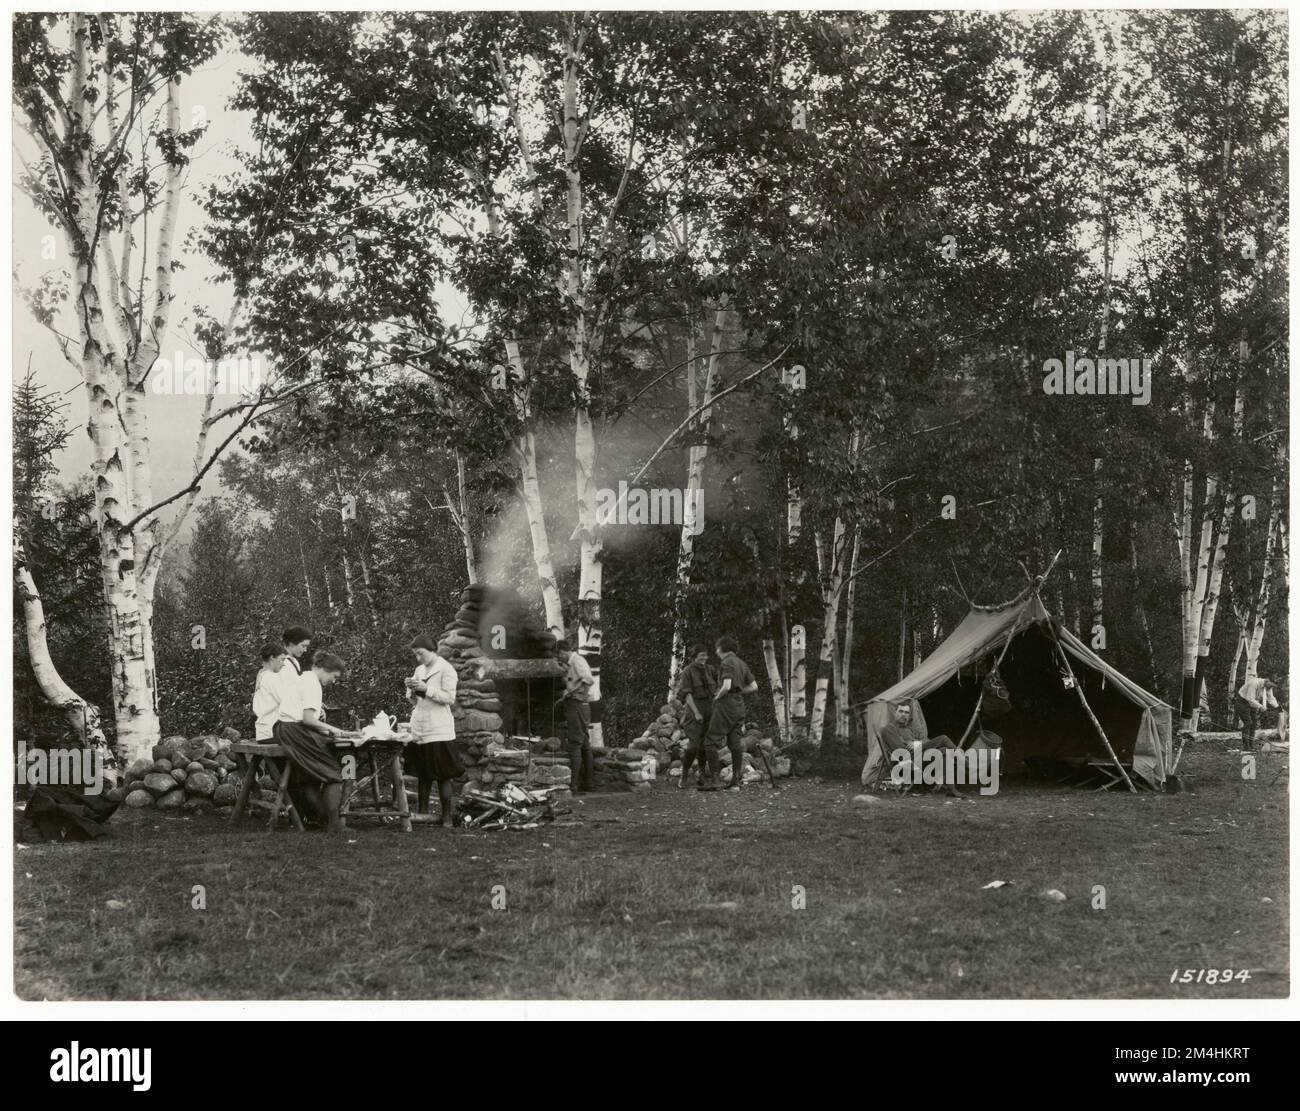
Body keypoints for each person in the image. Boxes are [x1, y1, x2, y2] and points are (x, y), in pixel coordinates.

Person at [273, 651, 356, 832]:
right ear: (325, 669)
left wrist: (328, 730)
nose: (333, 681)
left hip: (285, 729)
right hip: (295, 731)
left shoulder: (303, 678)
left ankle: (323, 820)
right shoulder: (313, 684)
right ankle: (334, 825)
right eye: (334, 676)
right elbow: (308, 719)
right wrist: (335, 730)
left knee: (309, 777)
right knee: (333, 773)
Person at [404, 635, 463, 827]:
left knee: (443, 774)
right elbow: (415, 700)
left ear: (431, 650)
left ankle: (446, 816)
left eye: (420, 654)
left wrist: (426, 689)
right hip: (421, 726)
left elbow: (449, 698)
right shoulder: (419, 669)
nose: (418, 658)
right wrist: (412, 690)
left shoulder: (446, 669)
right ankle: (422, 814)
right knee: (423, 773)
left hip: (439, 728)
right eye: (415, 655)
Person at [704, 635, 759, 791]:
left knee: (710, 741)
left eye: (717, 648)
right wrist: (739, 692)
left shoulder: (727, 662)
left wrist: (717, 697)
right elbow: (754, 686)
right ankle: (735, 780)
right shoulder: (742, 663)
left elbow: (726, 686)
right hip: (739, 705)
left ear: (721, 648)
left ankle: (715, 781)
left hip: (725, 705)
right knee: (735, 743)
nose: (716, 652)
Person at [879, 701, 964, 798]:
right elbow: (901, 752)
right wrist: (918, 744)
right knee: (943, 738)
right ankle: (967, 762)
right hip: (904, 764)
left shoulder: (908, 729)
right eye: (901, 711)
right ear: (895, 713)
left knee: (946, 751)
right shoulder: (889, 729)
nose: (903, 714)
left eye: (906, 712)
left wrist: (917, 743)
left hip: (916, 758)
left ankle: (951, 789)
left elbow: (921, 742)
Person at [555, 640, 595, 793]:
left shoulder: (577, 661)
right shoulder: (572, 663)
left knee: (575, 742)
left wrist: (571, 692)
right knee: (584, 742)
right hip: (577, 704)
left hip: (577, 704)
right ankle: (589, 783)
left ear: (563, 652)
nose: (559, 657)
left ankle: (574, 785)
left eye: (559, 654)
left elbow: (588, 680)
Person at [675, 645, 717, 789]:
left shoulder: (710, 670)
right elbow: (687, 695)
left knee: (705, 744)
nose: (704, 658)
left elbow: (718, 686)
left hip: (709, 709)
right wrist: (697, 712)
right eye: (701, 655)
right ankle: (684, 774)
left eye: (705, 655)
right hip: (695, 709)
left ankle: (700, 772)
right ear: (694, 657)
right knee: (693, 745)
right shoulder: (687, 671)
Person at [252, 643, 289, 742]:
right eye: (282, 660)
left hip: (263, 733)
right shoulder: (271, 678)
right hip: (271, 733)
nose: (283, 663)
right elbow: (288, 701)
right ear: (272, 658)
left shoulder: (262, 675)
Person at [1235, 676, 1279, 751]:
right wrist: (1261, 706)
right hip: (1242, 702)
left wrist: (1278, 707)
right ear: (1267, 680)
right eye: (1271, 685)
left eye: (1273, 687)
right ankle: (1246, 746)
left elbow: (1270, 698)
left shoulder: (1268, 687)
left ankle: (1251, 745)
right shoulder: (1254, 683)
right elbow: (1250, 699)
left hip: (1253, 703)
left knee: (1254, 723)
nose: (1270, 688)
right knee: (1248, 722)